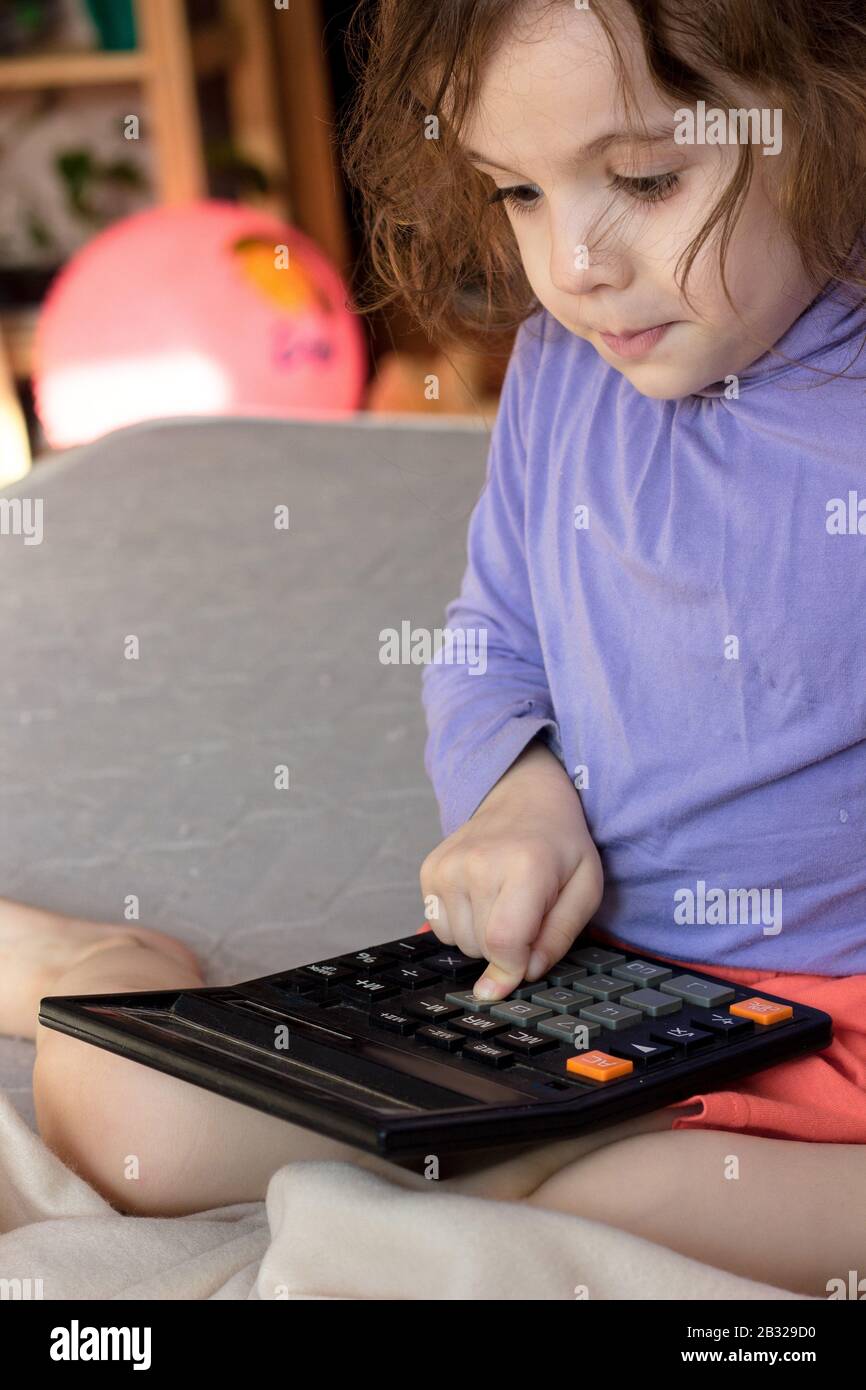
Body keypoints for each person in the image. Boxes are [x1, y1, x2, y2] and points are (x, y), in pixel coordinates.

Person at [2, 0, 865, 1296]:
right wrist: (515, 794)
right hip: (568, 992)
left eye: (642, 179)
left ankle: (493, 1176)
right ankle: (89, 965)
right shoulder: (561, 370)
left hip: (824, 1029)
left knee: (618, 1213)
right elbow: (491, 637)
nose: (572, 262)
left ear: (833, 114)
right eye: (517, 190)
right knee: (120, 1110)